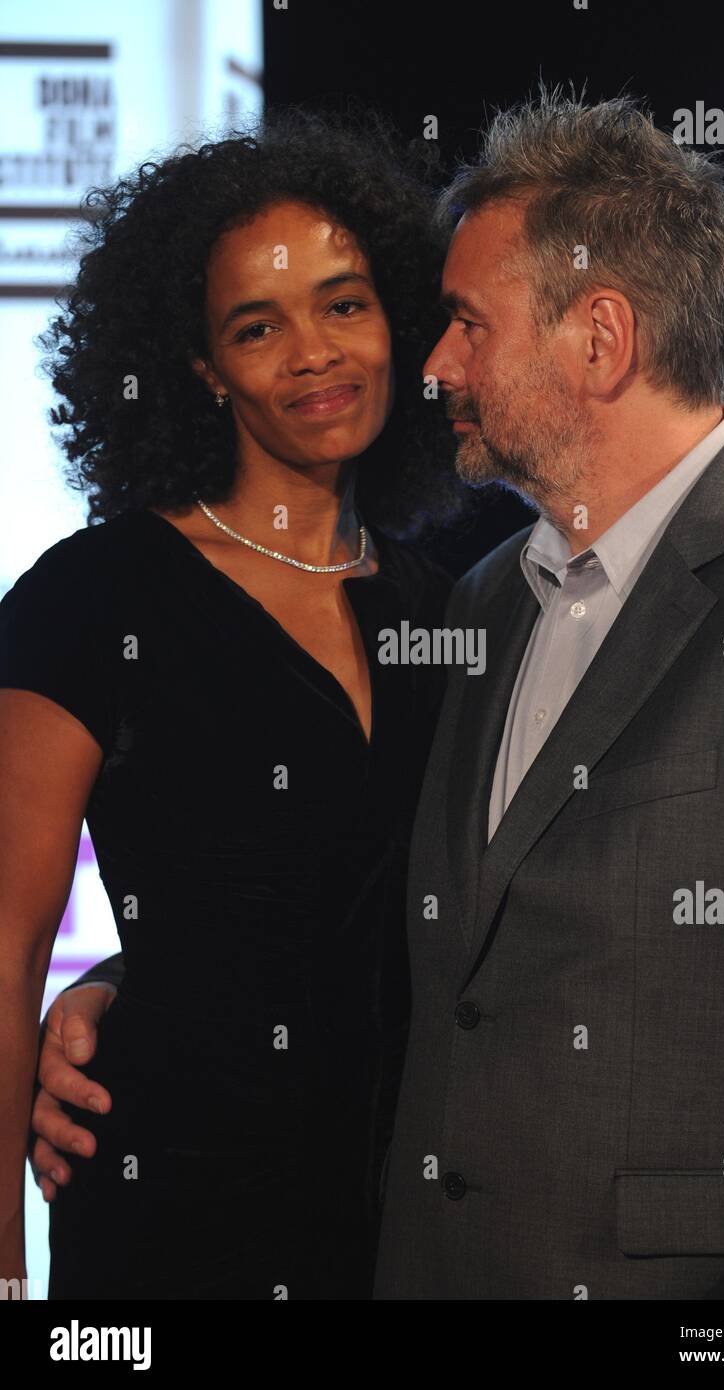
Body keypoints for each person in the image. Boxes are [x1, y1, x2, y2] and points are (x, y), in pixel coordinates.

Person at [32, 88, 724, 1304]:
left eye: (467, 325)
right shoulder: (476, 608)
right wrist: (130, 986)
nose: (435, 362)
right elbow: (373, 918)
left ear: (600, 338)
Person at [0, 106, 465, 1300]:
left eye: (345, 303)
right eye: (259, 325)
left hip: (409, 1235)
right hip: (170, 1231)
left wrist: (98, 988)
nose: (315, 352)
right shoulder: (92, 594)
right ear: (202, 366)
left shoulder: (455, 605)